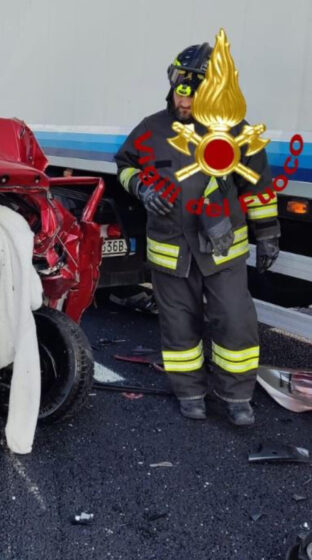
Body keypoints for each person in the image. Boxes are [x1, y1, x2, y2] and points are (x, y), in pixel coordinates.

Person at [114, 43, 281, 425]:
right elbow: (124, 164)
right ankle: (189, 391)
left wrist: (268, 232)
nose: (184, 101)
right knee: (179, 325)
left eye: (194, 93)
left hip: (222, 250)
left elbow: (258, 188)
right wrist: (141, 187)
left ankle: (236, 395)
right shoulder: (151, 128)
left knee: (236, 321)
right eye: (180, 91)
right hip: (171, 251)